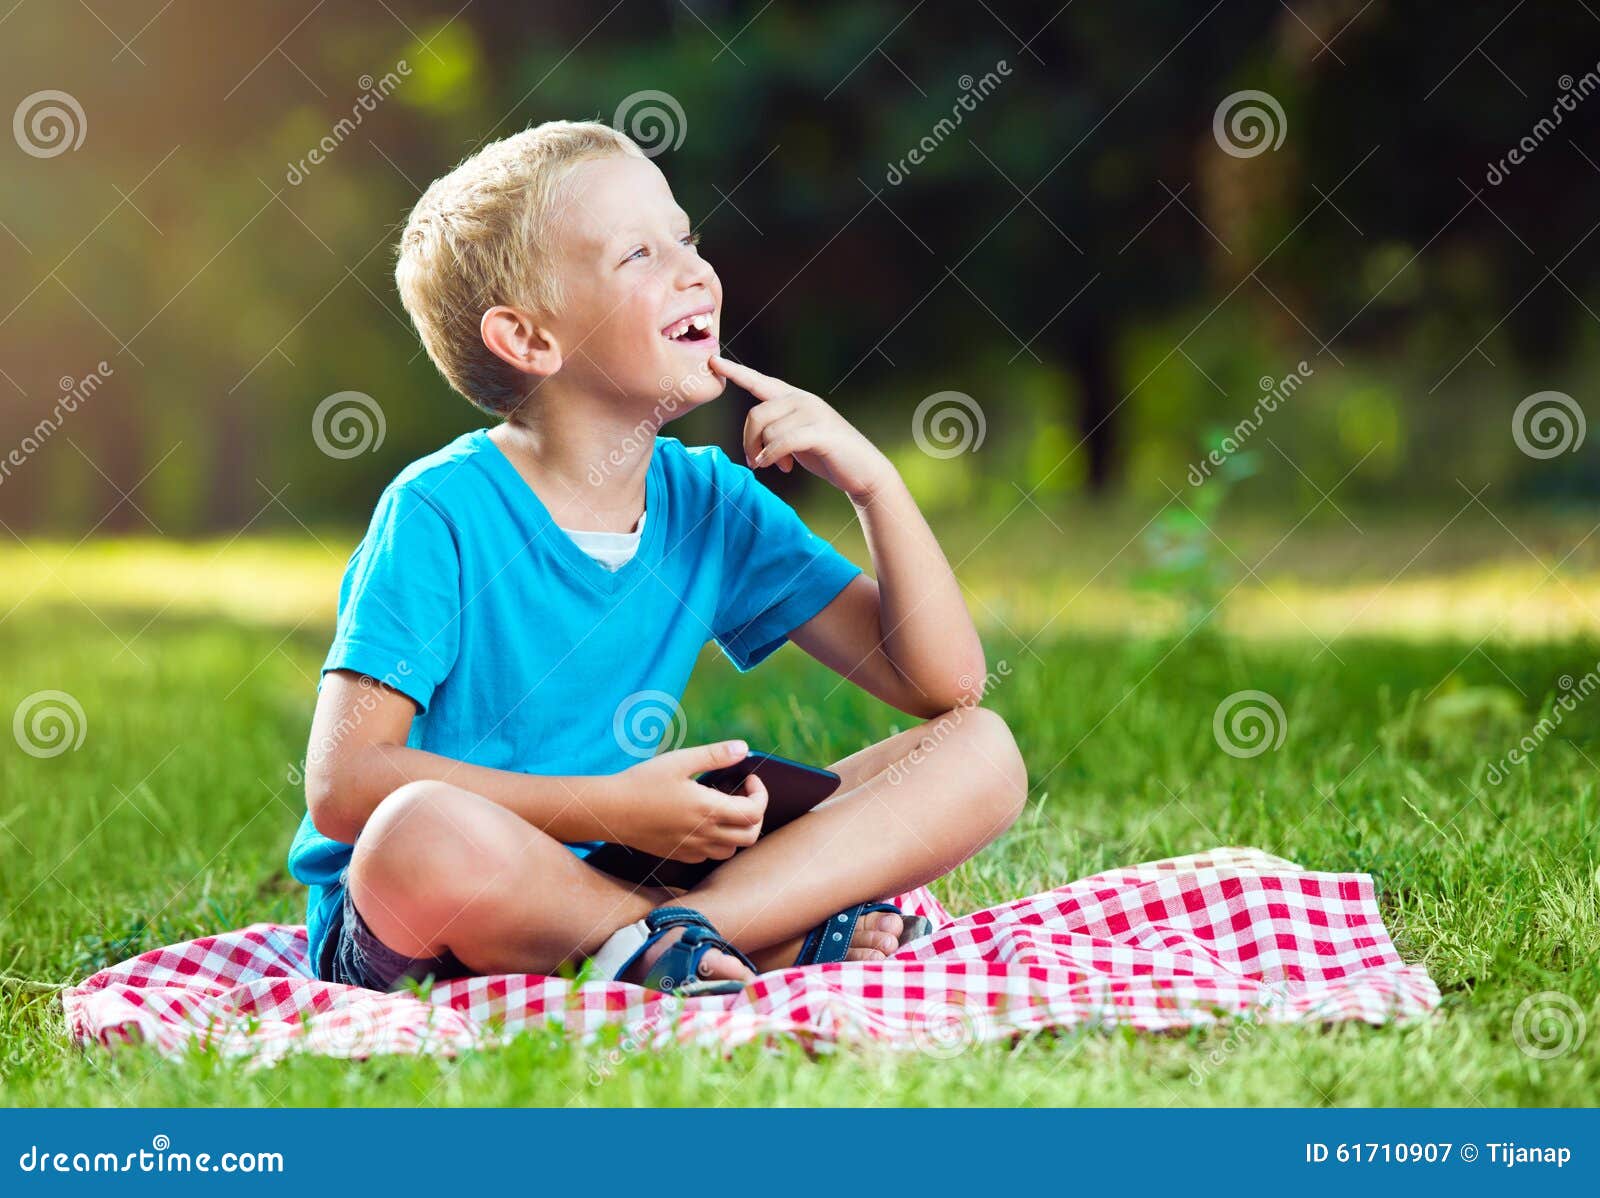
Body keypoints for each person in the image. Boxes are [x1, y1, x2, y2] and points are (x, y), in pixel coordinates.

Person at [285, 120, 1027, 995]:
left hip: (628, 873)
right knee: (419, 831)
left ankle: (670, 944)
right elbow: (345, 784)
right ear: (529, 340)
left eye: (686, 237)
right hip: (424, 915)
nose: (696, 271)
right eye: (639, 254)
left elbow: (943, 686)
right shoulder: (440, 512)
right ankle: (742, 939)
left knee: (981, 752)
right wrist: (610, 805)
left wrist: (874, 485)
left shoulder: (708, 500)